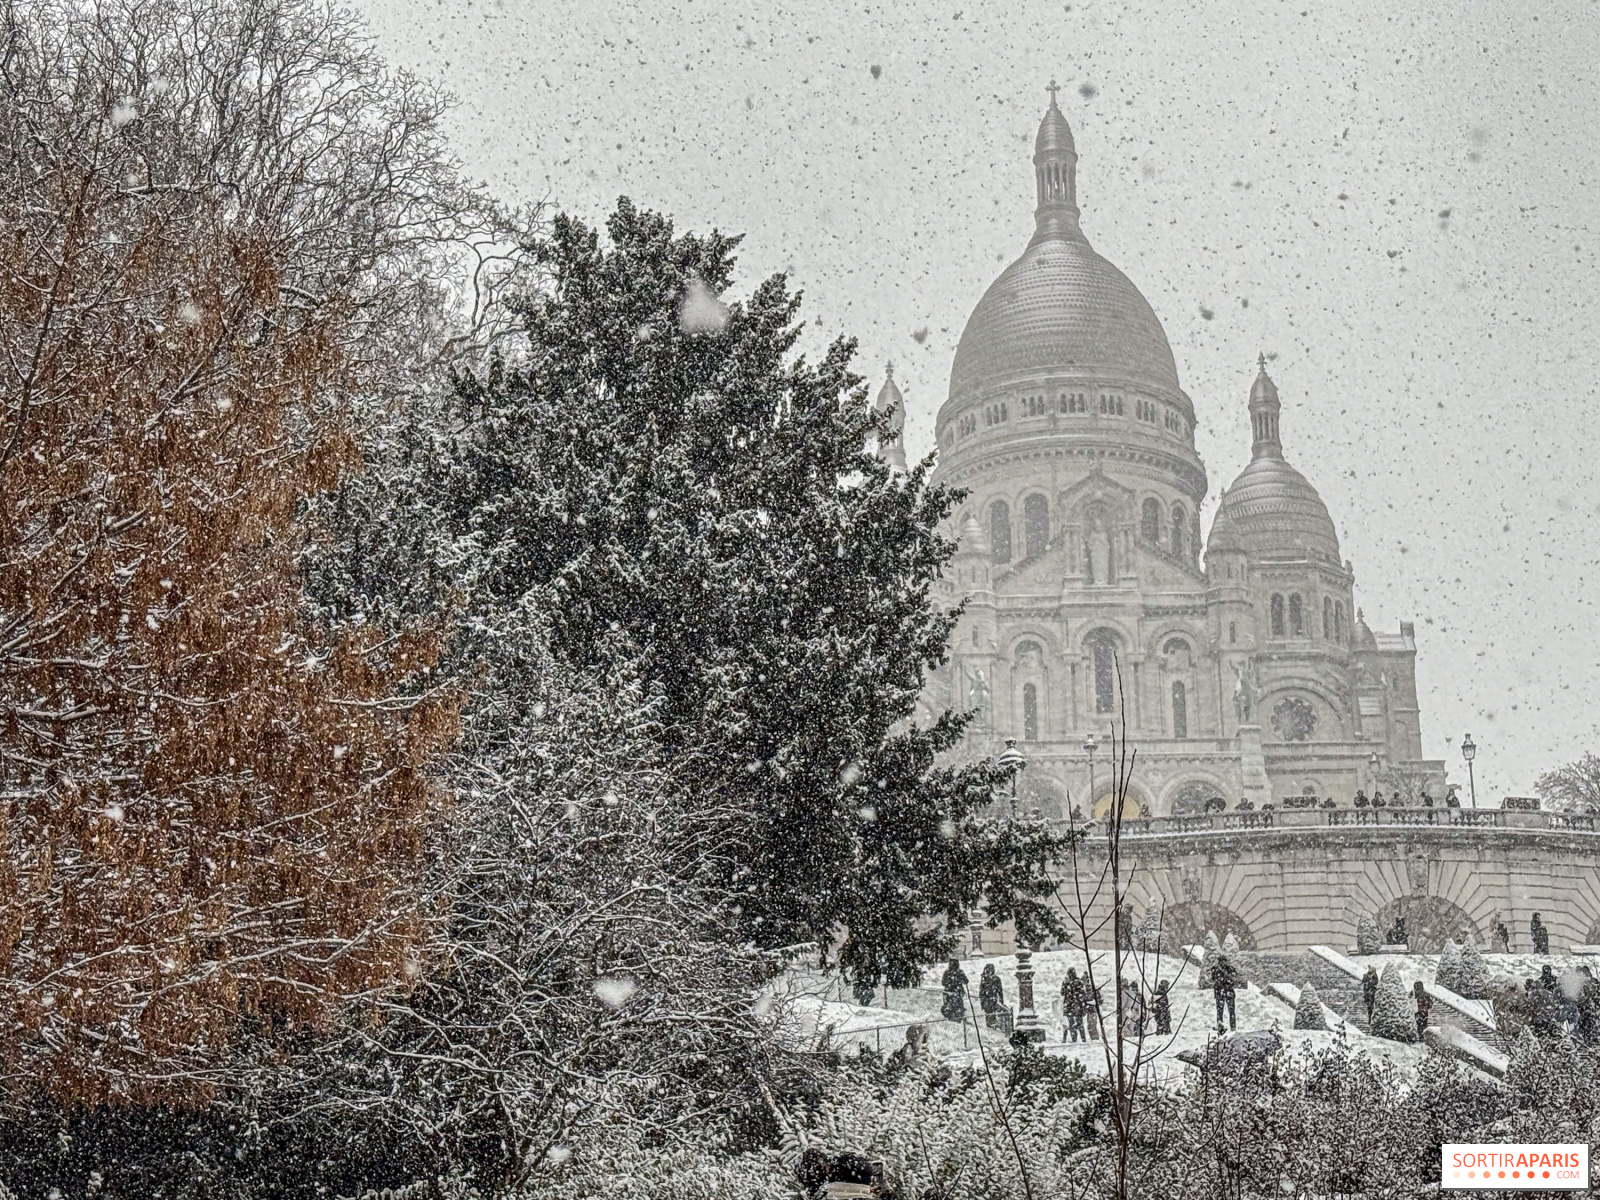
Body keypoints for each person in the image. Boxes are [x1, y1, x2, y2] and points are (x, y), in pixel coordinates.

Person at [1061, 967, 1088, 1042]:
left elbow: (1062, 993)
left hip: (1070, 1006)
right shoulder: (1078, 982)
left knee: (1071, 1023)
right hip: (1077, 1006)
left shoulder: (1068, 982)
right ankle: (1082, 1039)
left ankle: (1075, 1039)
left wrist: (1066, 985)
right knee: (1079, 1023)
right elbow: (1082, 993)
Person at [1213, 954, 1238, 1032]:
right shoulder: (1217, 969)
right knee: (1223, 1012)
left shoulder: (1228, 969)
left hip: (1224, 992)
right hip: (1224, 992)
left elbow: (1234, 977)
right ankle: (1223, 1027)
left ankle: (1232, 1028)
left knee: (1228, 1011)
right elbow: (1214, 978)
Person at [979, 963, 1004, 1028]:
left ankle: (991, 1024)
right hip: (991, 999)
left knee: (989, 1013)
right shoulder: (994, 978)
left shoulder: (984, 978)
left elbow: (981, 990)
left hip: (988, 999)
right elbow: (1000, 991)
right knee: (990, 1013)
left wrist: (982, 1000)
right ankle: (991, 1024)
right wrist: (1001, 1000)